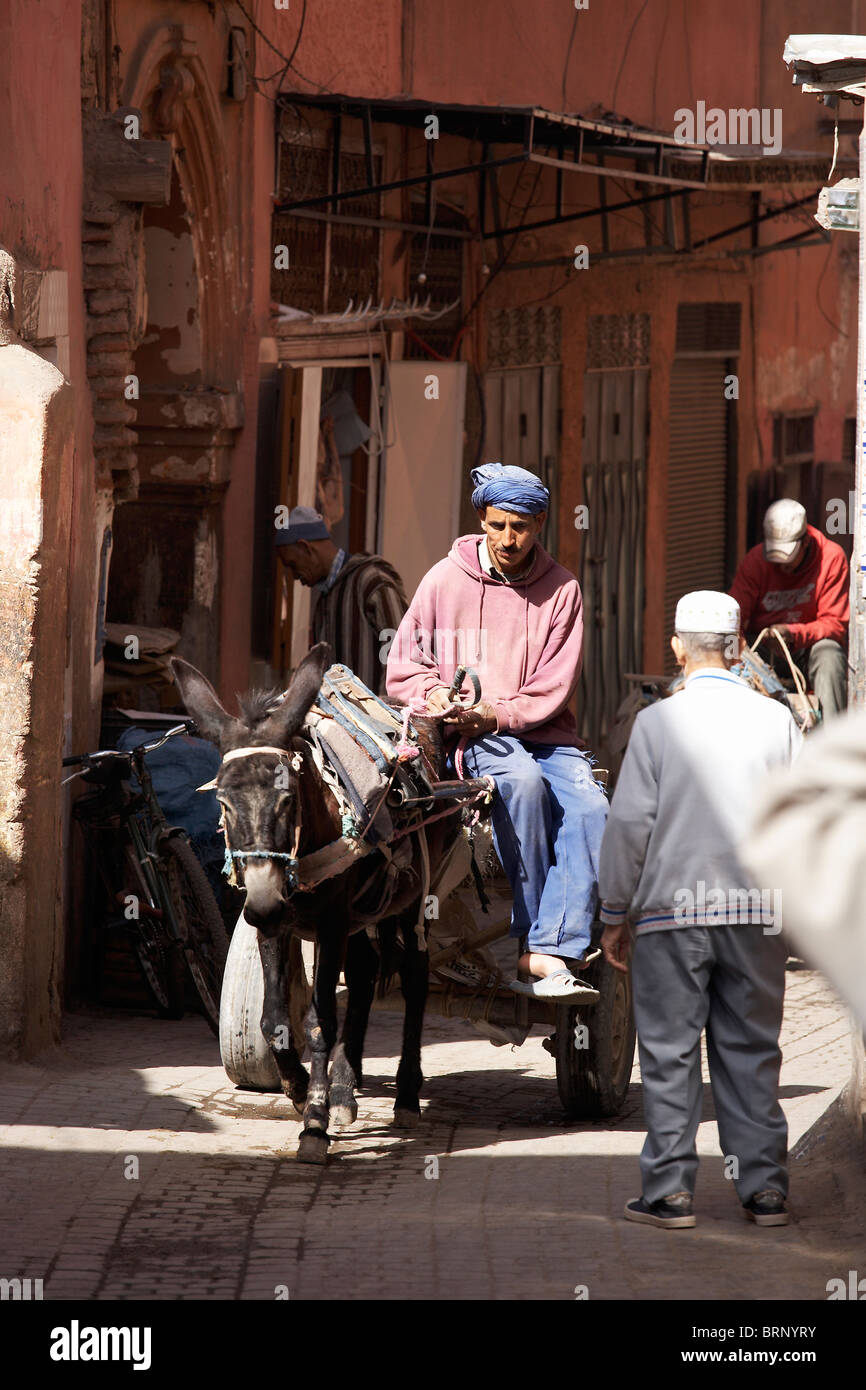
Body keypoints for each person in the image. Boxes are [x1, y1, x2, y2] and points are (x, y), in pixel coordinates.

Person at [598, 591, 802, 1230]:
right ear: (739, 649)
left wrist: (613, 912)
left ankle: (669, 1194)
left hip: (669, 917)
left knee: (669, 1052)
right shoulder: (777, 722)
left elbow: (631, 822)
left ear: (678, 649)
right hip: (756, 912)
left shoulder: (657, 724)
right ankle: (763, 1190)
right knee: (751, 1051)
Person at [386, 461, 608, 1001]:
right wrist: (434, 693)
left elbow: (553, 687)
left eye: (522, 526)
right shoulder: (443, 579)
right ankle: (537, 941)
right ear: (481, 520)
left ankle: (550, 947)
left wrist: (495, 713)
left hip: (542, 733)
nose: (509, 539)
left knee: (592, 810)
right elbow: (405, 664)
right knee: (523, 786)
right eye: (498, 525)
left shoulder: (563, 591)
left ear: (542, 523)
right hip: (470, 739)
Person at [729, 497, 849, 718]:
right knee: (732, 650)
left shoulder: (831, 558)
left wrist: (793, 633)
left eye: (788, 558)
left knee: (830, 654)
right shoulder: (755, 561)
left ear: (804, 542)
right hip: (765, 649)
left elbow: (835, 624)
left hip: (809, 650)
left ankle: (833, 739)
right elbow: (734, 615)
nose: (782, 565)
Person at [276, 505, 407, 696]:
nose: (294, 576)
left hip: (379, 722)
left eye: (293, 564)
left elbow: (402, 650)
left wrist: (385, 711)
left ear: (306, 547)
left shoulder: (371, 582)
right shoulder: (323, 603)